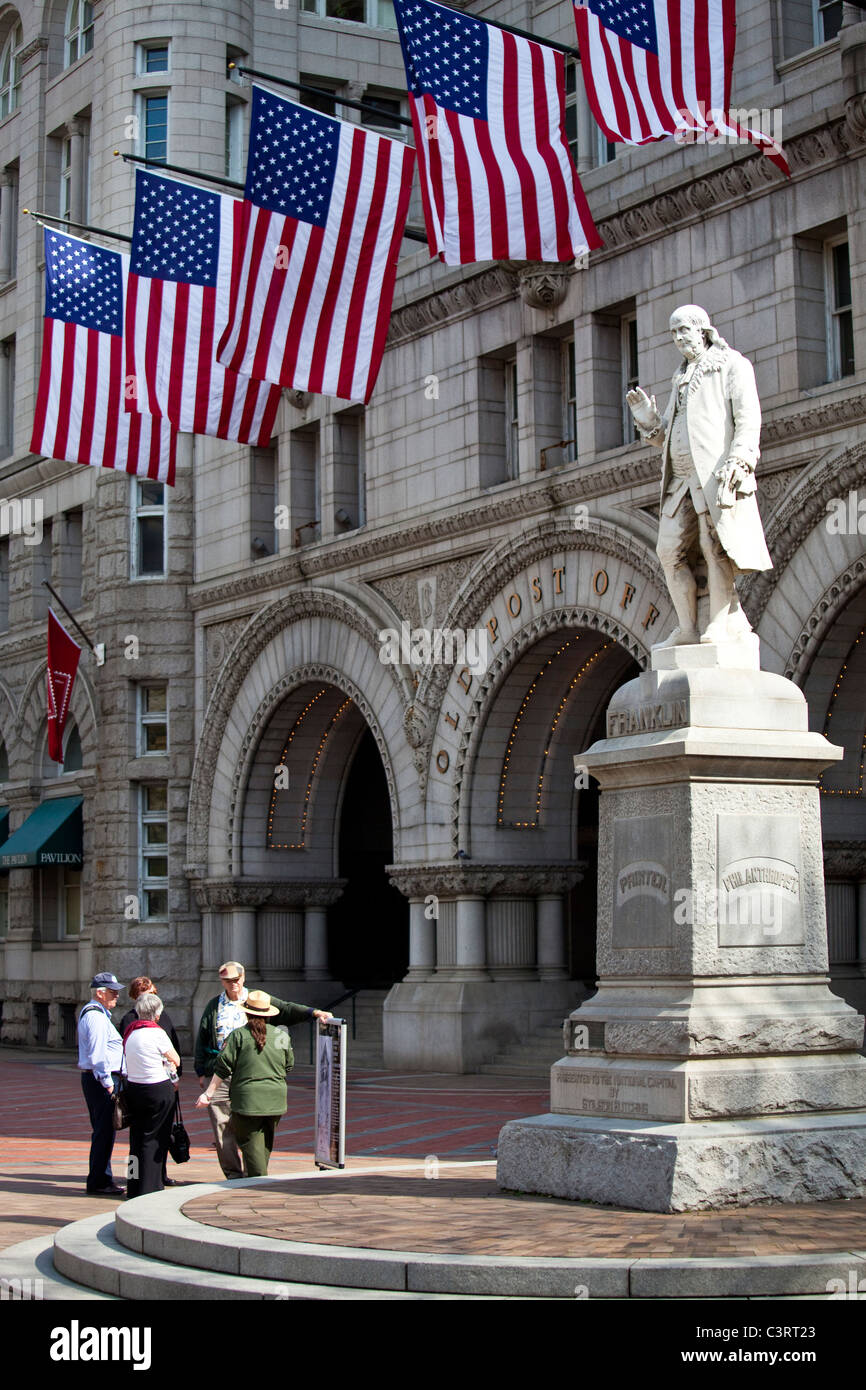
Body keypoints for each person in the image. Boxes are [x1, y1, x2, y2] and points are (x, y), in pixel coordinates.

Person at [626, 304, 773, 648]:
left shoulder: (732, 365)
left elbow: (749, 420)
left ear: (703, 331)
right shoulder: (680, 376)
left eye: (683, 331)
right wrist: (648, 420)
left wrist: (739, 460)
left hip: (713, 478)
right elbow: (668, 437)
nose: (678, 339)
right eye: (673, 333)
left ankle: (719, 624)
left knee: (714, 547)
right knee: (668, 551)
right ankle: (688, 627)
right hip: (679, 482)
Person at [194, 961, 332, 1179]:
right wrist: (202, 1072)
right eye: (227, 981)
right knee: (223, 1129)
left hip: (249, 1074)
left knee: (252, 1128)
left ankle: (252, 1174)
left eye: (236, 980)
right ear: (222, 982)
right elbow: (202, 1038)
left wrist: (313, 1013)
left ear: (243, 978)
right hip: (220, 1074)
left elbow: (287, 1009)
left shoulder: (258, 1001)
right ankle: (233, 1174)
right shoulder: (214, 1005)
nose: (233, 985)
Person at [119, 976, 183, 1187]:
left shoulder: (130, 1031)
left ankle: (134, 1182)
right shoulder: (157, 1033)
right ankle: (151, 1184)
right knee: (154, 1139)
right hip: (157, 1090)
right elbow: (176, 1058)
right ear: (156, 1014)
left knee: (136, 1140)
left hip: (135, 1089)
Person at [77, 971, 125, 1196]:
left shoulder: (99, 1014)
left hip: (99, 1079)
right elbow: (97, 1055)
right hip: (101, 1080)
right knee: (104, 1131)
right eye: (112, 992)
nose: (117, 996)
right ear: (100, 993)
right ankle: (99, 1181)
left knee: (105, 1131)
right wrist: (108, 1083)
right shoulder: (95, 1017)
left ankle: (102, 1178)